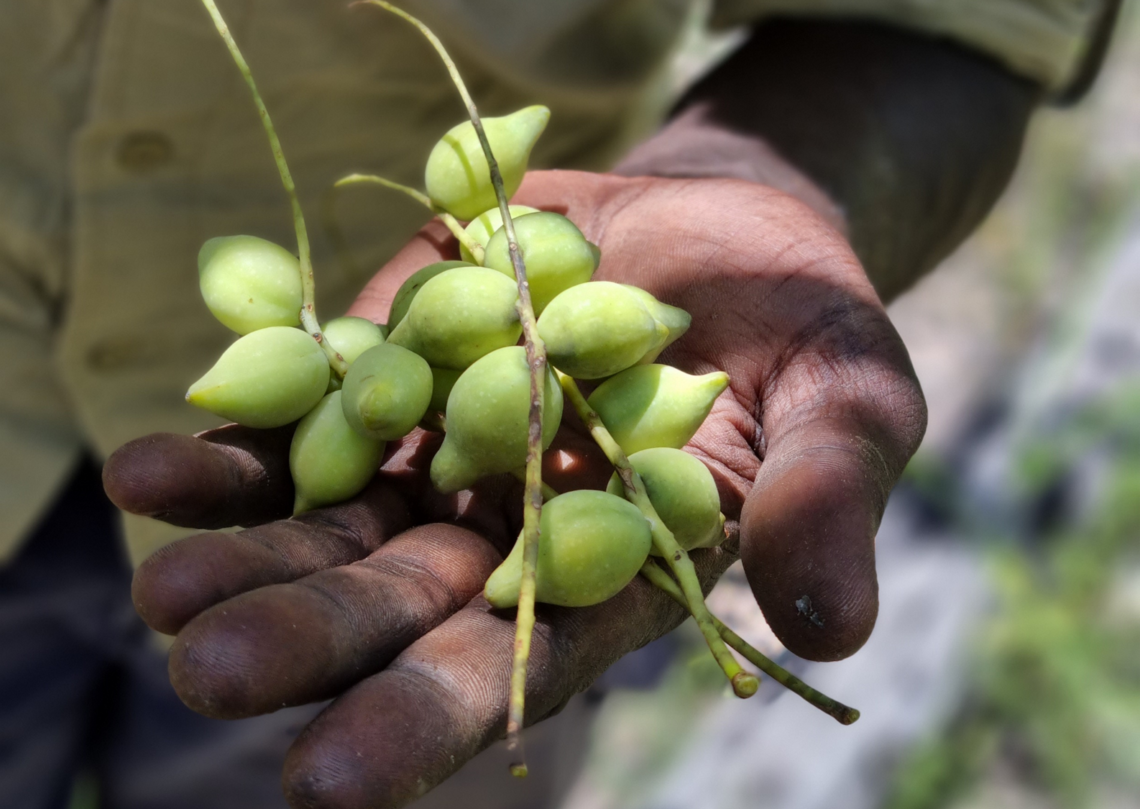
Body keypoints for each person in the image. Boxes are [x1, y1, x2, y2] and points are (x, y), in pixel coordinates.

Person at [0, 0, 1122, 807]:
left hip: (394, 577)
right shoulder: (410, 365)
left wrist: (744, 183)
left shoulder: (485, 334)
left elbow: (959, 23)